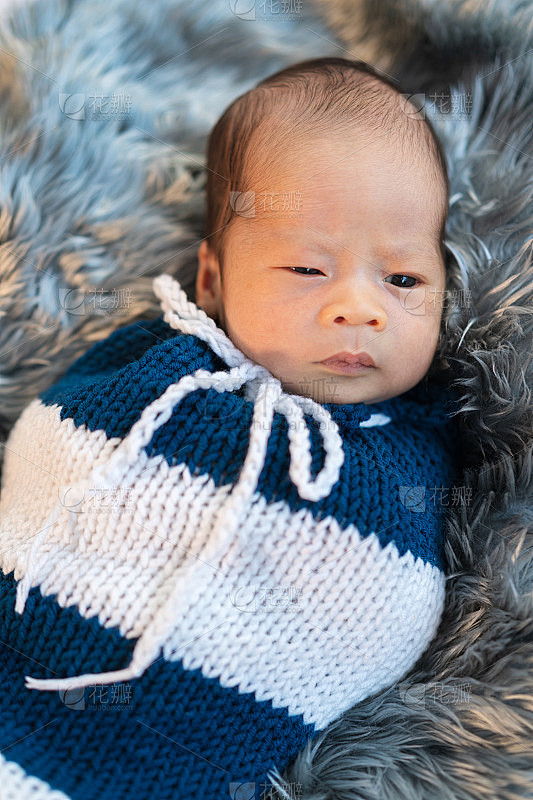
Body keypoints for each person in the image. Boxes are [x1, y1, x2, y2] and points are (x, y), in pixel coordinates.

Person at [0, 58, 462, 800]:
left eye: (402, 279)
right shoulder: (161, 380)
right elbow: (58, 452)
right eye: (308, 269)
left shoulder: (409, 454)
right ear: (211, 281)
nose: (359, 308)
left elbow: (389, 608)